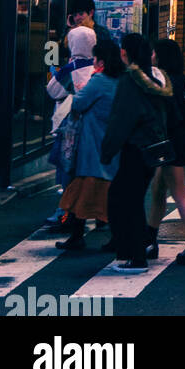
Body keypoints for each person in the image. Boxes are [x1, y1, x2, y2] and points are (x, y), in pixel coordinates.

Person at [100, 33, 174, 273]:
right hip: (152, 149)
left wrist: (107, 150)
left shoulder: (130, 81)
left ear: (124, 53)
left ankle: (136, 255)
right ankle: (136, 250)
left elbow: (121, 119)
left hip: (135, 148)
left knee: (125, 200)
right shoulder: (157, 79)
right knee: (132, 198)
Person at [54, 39, 123, 252]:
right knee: (106, 192)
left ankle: (78, 236)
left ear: (101, 61)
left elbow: (78, 103)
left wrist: (82, 88)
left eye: (95, 58)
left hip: (92, 144)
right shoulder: (121, 80)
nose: (93, 61)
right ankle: (108, 235)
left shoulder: (99, 80)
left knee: (81, 191)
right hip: (112, 143)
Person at [144, 39, 185, 266]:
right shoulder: (184, 80)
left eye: (154, 53)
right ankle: (150, 241)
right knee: (159, 189)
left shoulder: (165, 81)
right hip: (182, 141)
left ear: (161, 57)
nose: (152, 57)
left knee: (179, 193)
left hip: (171, 143)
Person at [45, 24, 97, 228]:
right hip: (91, 127)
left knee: (66, 169)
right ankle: (92, 211)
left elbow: (53, 91)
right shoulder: (98, 66)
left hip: (69, 126)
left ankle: (65, 213)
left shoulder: (71, 68)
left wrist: (55, 73)